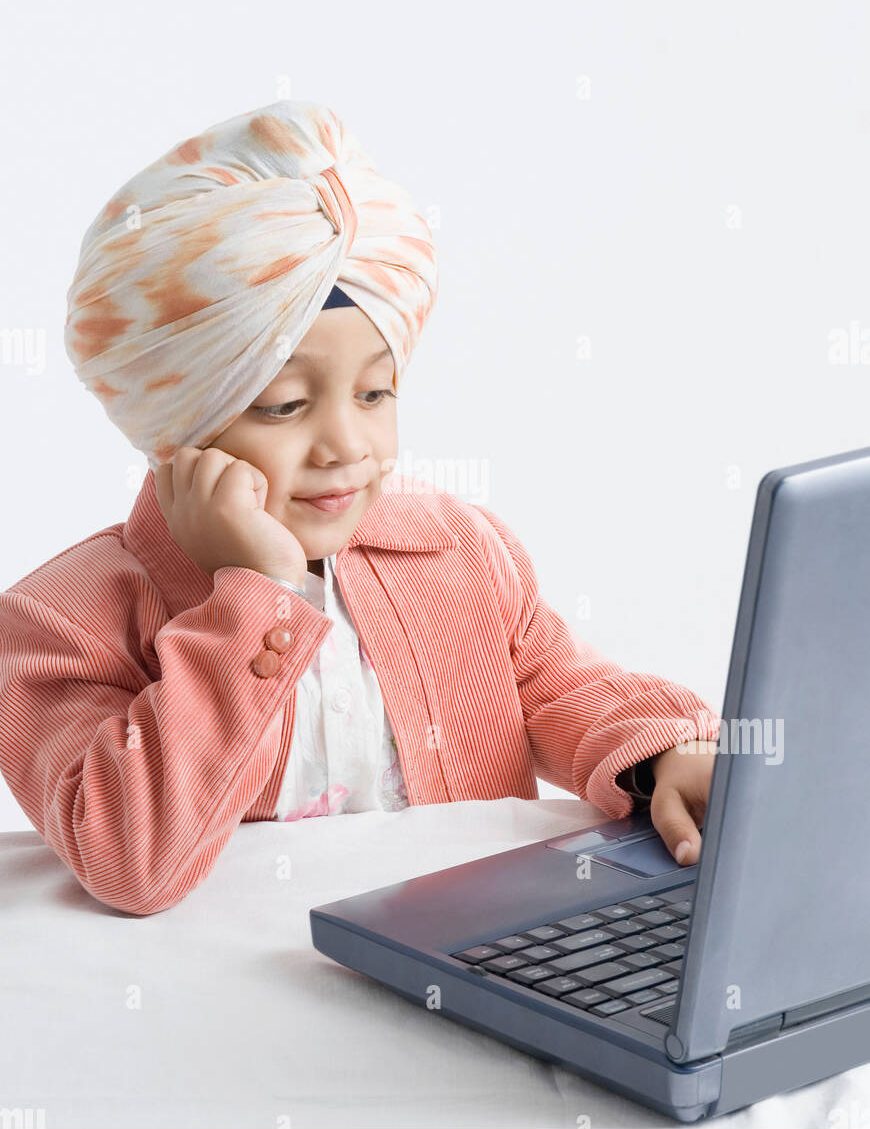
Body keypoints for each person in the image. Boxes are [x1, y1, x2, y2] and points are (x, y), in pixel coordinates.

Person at [0, 99, 721, 916]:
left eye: (376, 392)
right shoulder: (54, 627)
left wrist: (665, 756)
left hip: (460, 978)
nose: (346, 444)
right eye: (283, 406)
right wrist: (252, 595)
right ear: (174, 430)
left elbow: (563, 691)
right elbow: (128, 860)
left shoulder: (457, 552)